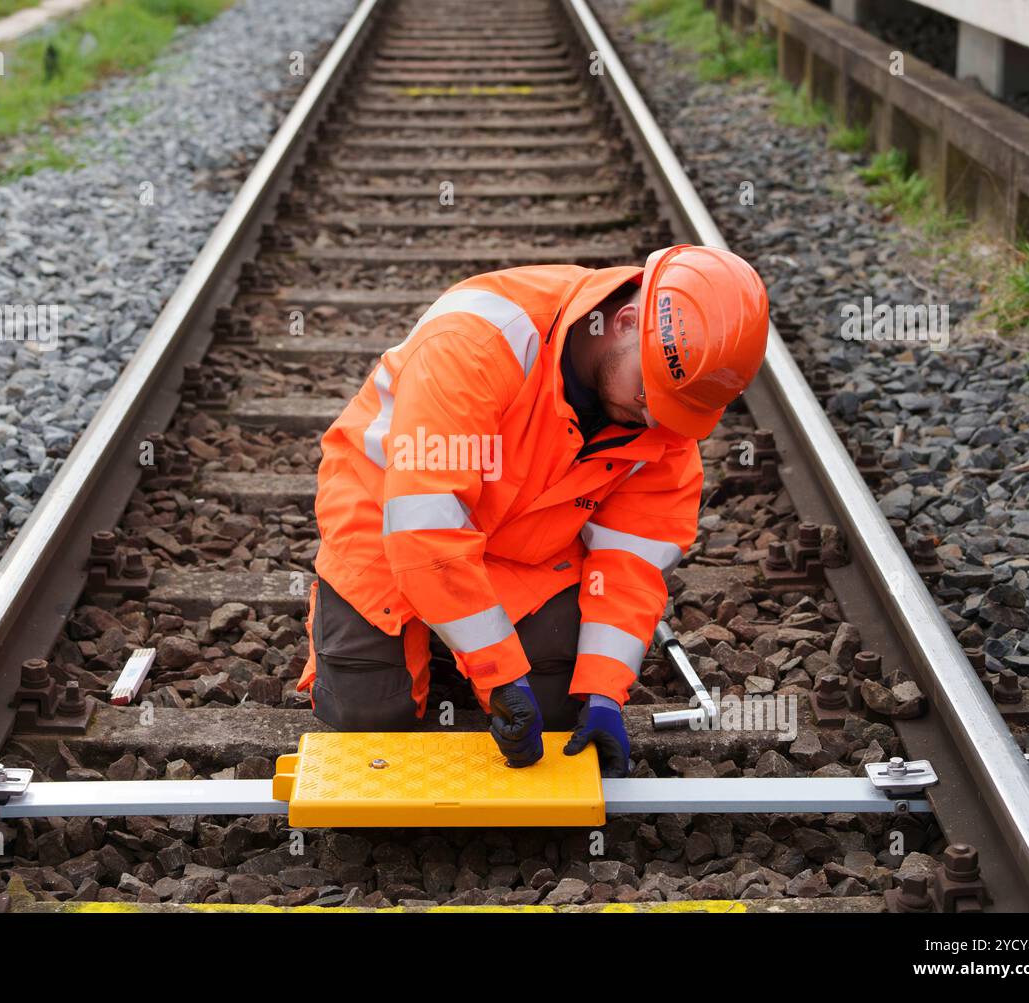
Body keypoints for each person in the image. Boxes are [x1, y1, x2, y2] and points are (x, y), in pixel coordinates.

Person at [296, 245, 769, 777]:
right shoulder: (475, 341)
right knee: (366, 718)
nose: (657, 416)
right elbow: (426, 528)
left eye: (676, 405)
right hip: (390, 524)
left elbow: (631, 566)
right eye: (652, 389)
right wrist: (499, 676)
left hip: (521, 555)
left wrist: (605, 693)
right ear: (627, 321)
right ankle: (429, 638)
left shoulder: (663, 423)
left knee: (554, 715)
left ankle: (457, 640)